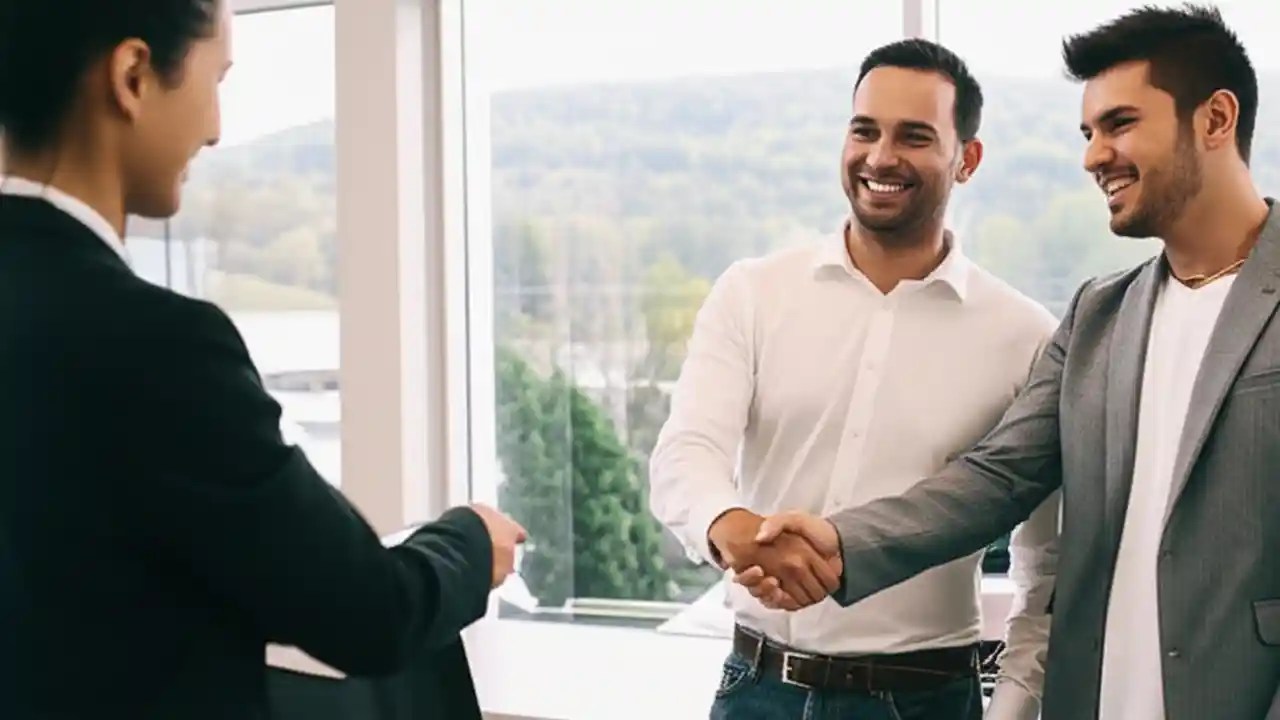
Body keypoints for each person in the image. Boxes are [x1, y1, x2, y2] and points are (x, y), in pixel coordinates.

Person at [737, 6, 1280, 720]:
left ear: (1214, 120)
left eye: (1119, 124)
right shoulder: (1097, 318)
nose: (1093, 156)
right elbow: (993, 478)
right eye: (1088, 133)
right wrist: (841, 542)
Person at [0, 2, 525, 718]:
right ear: (132, 76)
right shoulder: (158, 347)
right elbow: (366, 611)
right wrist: (469, 541)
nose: (215, 127)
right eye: (215, 80)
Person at [649, 38, 1060, 720]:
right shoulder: (753, 292)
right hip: (756, 690)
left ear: (968, 160)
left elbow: (1046, 564)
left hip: (926, 701)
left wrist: (1013, 709)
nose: (880, 157)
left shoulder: (1026, 336)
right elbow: (684, 453)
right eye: (864, 130)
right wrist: (730, 523)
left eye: (915, 136)